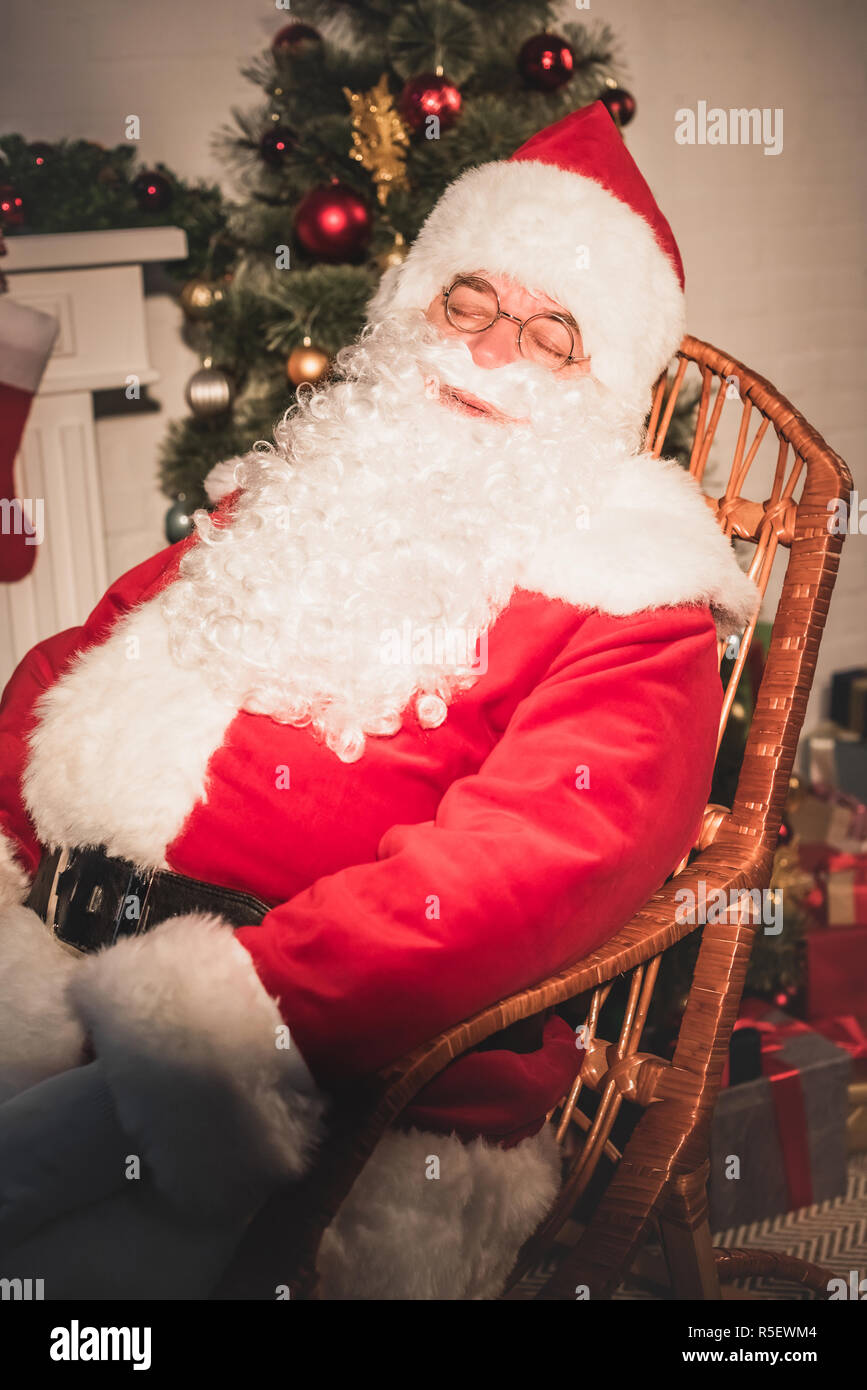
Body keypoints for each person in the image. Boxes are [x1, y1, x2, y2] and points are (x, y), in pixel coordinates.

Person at [0, 101, 759, 1299]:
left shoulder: (633, 588)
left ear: (606, 383)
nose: (492, 351)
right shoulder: (312, 489)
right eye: (471, 301)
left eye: (554, 332)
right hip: (47, 973)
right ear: (416, 308)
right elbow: (76, 665)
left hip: (330, 1112)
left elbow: (526, 867)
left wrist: (180, 1059)